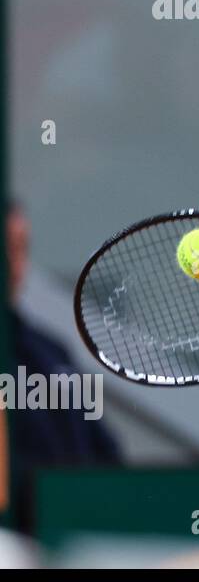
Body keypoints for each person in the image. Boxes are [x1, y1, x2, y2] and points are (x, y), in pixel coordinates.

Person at [5, 202, 122, 535]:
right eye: (5, 249)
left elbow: (107, 455)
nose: (13, 266)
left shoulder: (51, 350)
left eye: (19, 249)